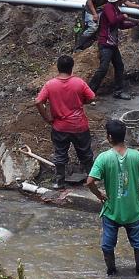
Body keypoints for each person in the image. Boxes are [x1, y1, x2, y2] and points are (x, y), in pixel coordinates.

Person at [86, 119, 139, 277]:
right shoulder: (136, 155)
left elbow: (90, 181)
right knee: (138, 243)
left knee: (107, 245)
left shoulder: (103, 158)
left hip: (112, 211)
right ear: (124, 135)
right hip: (133, 210)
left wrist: (99, 195)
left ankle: (112, 272)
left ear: (109, 137)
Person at [35, 55, 97, 190]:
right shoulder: (79, 83)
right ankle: (92, 179)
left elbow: (38, 102)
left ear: (58, 68)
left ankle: (59, 181)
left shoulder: (50, 84)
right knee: (85, 153)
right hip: (79, 125)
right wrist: (82, 101)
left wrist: (47, 118)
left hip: (60, 127)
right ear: (71, 67)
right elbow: (92, 97)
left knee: (60, 153)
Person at [89, 0, 139, 100]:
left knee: (119, 66)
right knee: (103, 68)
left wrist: (135, 23)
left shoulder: (115, 9)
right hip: (105, 43)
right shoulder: (108, 7)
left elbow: (121, 25)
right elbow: (113, 20)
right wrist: (123, 16)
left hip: (112, 44)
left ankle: (118, 91)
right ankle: (89, 92)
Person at [75, 0, 139, 52]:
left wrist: (137, 6)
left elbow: (125, 1)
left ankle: (94, 42)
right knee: (93, 27)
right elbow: (89, 1)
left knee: (102, 27)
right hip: (91, 9)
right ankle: (79, 46)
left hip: (101, 9)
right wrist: (94, 14)